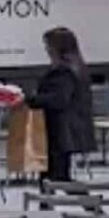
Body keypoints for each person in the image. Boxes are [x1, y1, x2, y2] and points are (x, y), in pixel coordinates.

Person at [30, 26, 94, 183]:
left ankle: (92, 205)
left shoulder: (63, 71)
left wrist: (30, 99)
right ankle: (46, 205)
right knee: (53, 176)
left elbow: (58, 99)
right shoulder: (77, 67)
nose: (46, 49)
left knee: (57, 176)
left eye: (48, 45)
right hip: (68, 130)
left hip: (59, 131)